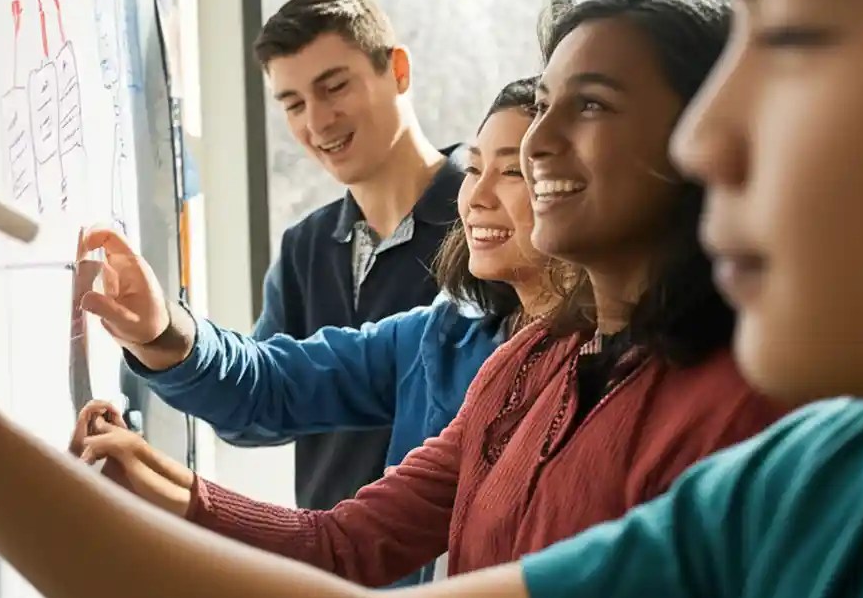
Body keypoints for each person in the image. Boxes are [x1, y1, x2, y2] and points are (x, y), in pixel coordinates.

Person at [0, 0, 863, 598]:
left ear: (392, 79)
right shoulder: (812, 477)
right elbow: (327, 524)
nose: (714, 139)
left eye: (799, 36)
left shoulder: (769, 420)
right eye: (287, 103)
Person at [69, 0, 785, 589]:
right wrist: (164, 474)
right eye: (481, 164)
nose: (538, 147)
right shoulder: (521, 361)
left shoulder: (752, 406)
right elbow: (340, 532)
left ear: (707, 136)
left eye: (589, 105)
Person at [83, 78, 564, 489]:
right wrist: (162, 329)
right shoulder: (440, 336)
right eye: (475, 168)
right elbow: (272, 381)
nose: (476, 196)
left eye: (511, 172)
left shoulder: (606, 368)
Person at [217, 0, 468, 521]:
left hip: (452, 578)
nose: (316, 122)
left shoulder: (487, 217)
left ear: (398, 71)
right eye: (293, 103)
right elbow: (249, 412)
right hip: (332, 573)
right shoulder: (303, 248)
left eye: (334, 87)